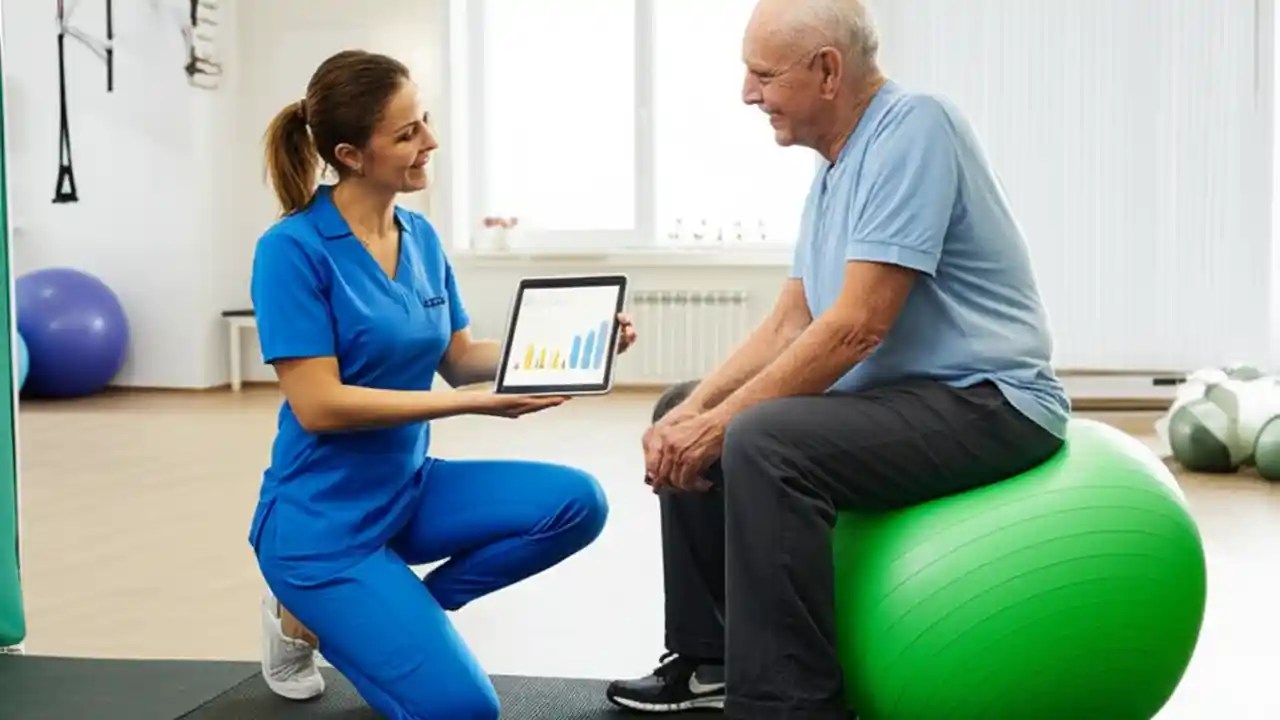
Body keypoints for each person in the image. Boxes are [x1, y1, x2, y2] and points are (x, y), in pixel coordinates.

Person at [604, 0, 1070, 718]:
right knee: (685, 407)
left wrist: (721, 426)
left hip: (989, 401)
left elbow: (857, 328)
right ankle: (710, 661)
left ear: (828, 71)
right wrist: (692, 414)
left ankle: (791, 704)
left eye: (763, 75)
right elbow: (791, 321)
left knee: (760, 438)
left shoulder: (916, 128)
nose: (748, 94)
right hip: (901, 400)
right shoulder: (833, 170)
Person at [249, 49, 630, 720]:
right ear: (351, 155)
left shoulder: (419, 236)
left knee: (578, 503)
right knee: (464, 712)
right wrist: (468, 405)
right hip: (321, 529)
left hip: (408, 490)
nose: (430, 140)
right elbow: (317, 405)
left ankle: (386, 615)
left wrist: (582, 345)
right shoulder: (292, 249)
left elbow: (459, 355)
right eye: (407, 133)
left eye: (423, 120)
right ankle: (313, 608)